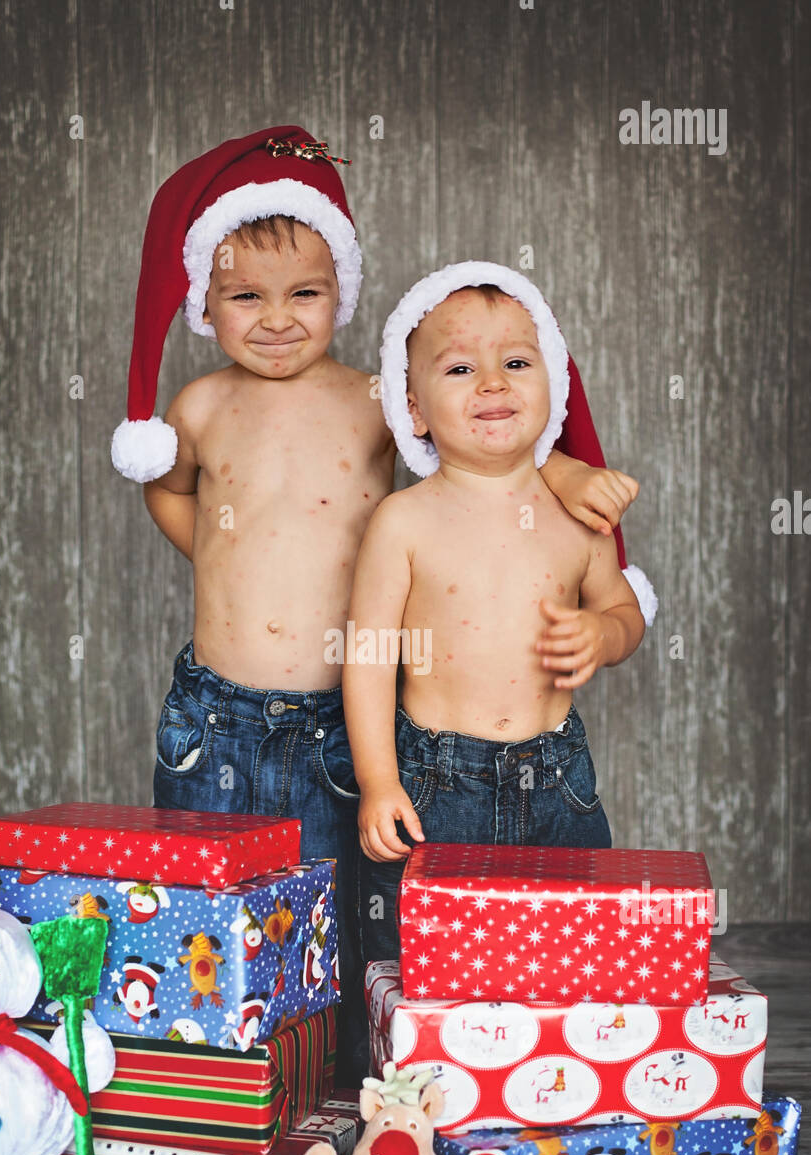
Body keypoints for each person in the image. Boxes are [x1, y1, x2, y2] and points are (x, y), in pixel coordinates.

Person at [113, 136, 644, 1080]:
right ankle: (217, 1090)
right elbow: (168, 488)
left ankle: (349, 1096)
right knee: (216, 909)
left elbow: (475, 445)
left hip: (339, 718)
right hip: (216, 713)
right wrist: (226, 558)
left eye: (305, 295)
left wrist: (561, 464)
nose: (277, 320)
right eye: (245, 297)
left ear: (341, 293)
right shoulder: (196, 407)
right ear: (204, 301)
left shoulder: (371, 399)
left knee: (343, 922)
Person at [344, 263, 657, 965]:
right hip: (436, 784)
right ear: (414, 410)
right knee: (423, 963)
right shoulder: (403, 522)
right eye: (459, 369)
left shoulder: (579, 518)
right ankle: (412, 1074)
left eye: (517, 362)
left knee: (571, 955)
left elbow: (622, 609)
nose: (492, 382)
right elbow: (366, 659)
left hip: (558, 782)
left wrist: (605, 634)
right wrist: (378, 781)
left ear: (553, 387)